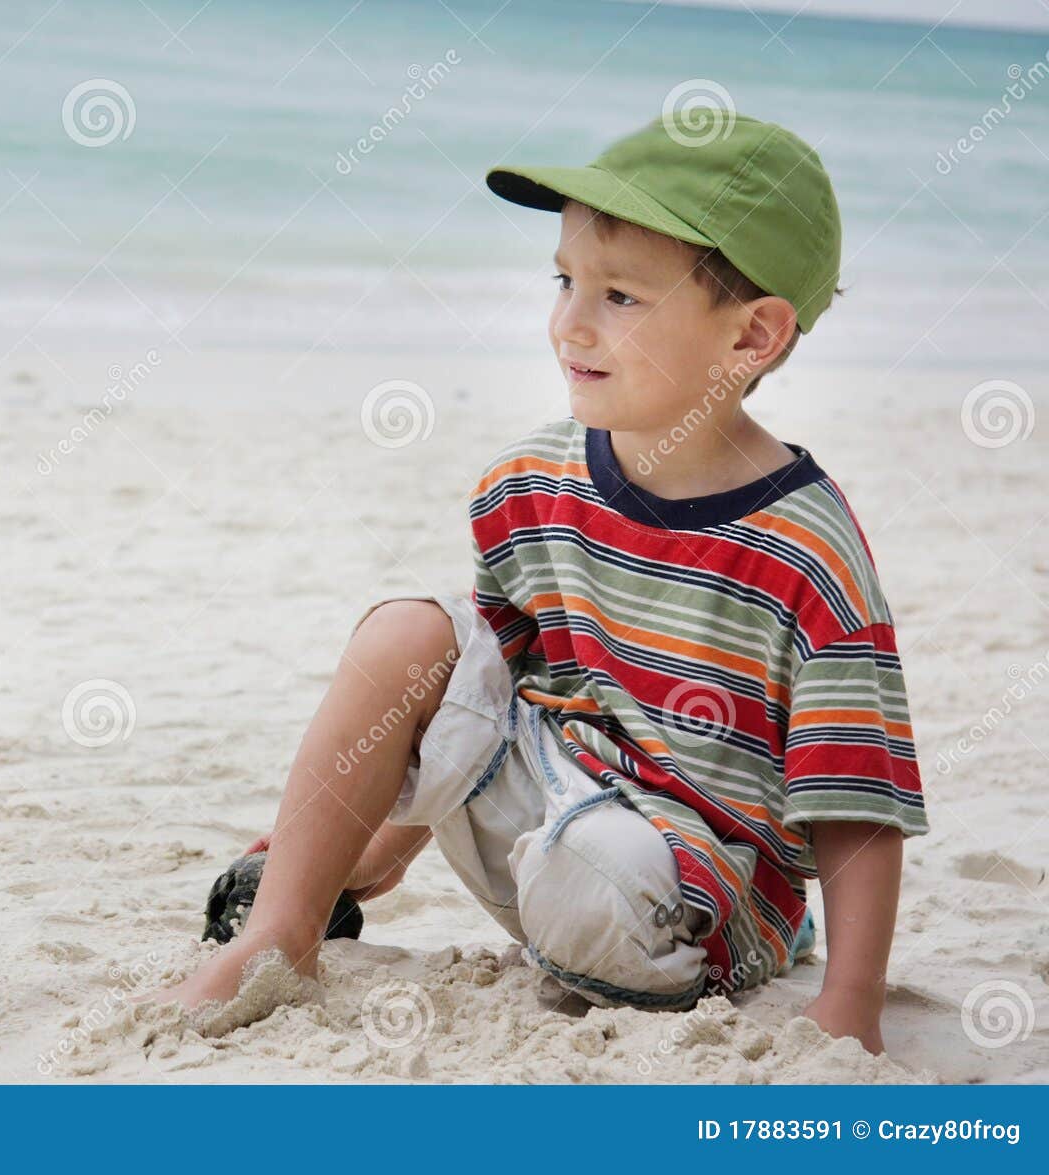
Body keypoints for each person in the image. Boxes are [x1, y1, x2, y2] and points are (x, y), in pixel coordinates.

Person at [135, 112, 930, 1057]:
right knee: (406, 632)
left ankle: (768, 933)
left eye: (621, 296)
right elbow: (482, 705)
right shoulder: (532, 484)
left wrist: (852, 1000)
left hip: (680, 885)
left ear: (752, 335)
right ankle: (284, 930)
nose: (570, 323)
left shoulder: (806, 548)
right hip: (552, 806)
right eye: (565, 280)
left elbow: (855, 795)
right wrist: (365, 853)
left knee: (597, 866)